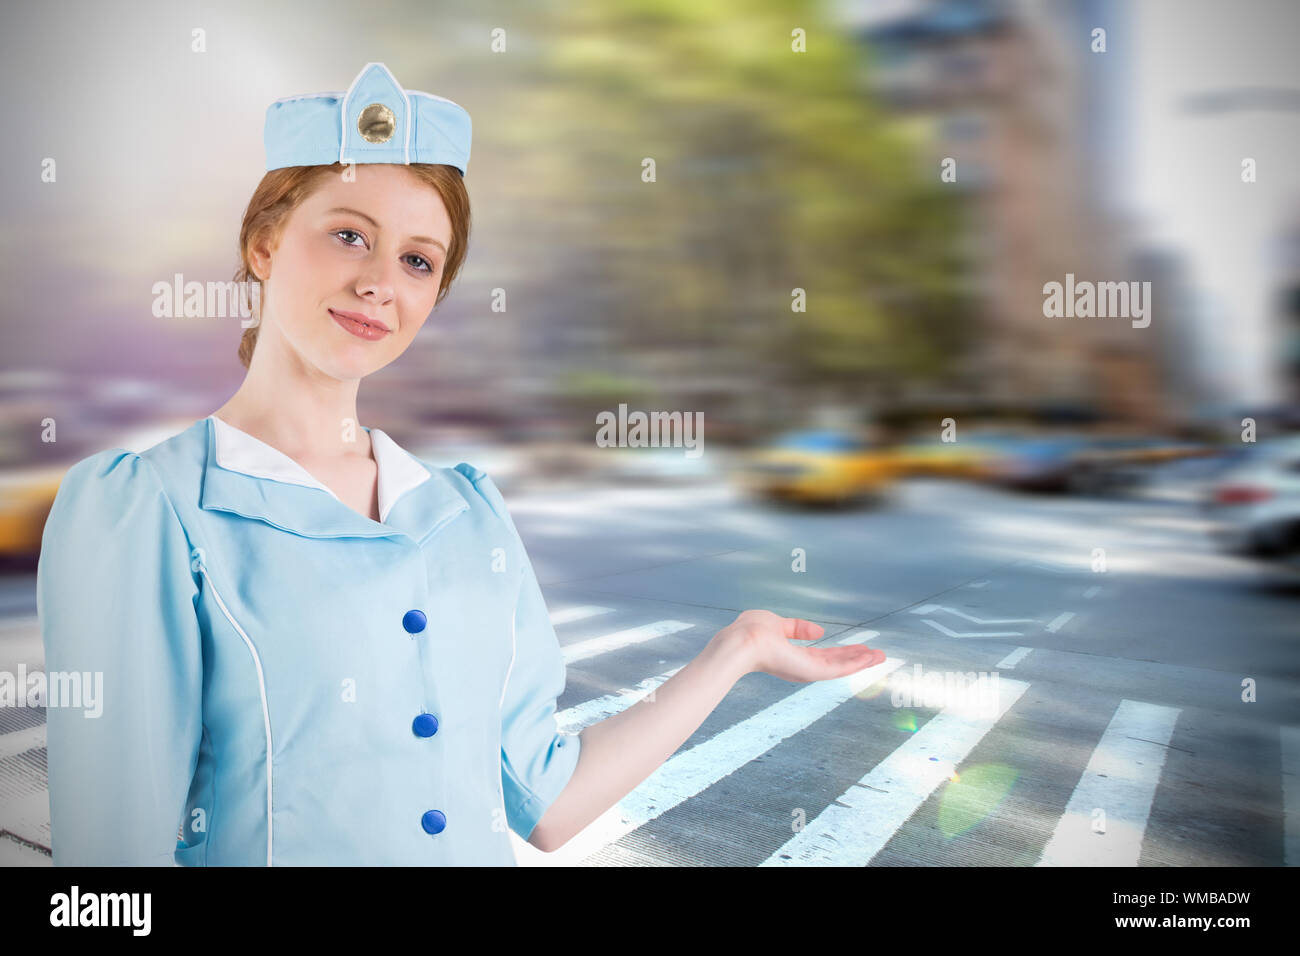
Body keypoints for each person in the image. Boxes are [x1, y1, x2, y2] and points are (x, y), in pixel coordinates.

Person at [36, 62, 886, 866]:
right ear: (263, 243)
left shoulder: (463, 511)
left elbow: (547, 801)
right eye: (347, 235)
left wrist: (732, 652)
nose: (380, 283)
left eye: (417, 260)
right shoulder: (149, 508)